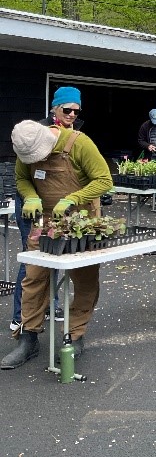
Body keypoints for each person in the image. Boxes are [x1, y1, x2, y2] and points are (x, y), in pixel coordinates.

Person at [2, 120, 112, 369]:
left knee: (84, 281)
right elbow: (21, 178)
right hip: (43, 222)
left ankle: (75, 335)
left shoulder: (79, 144)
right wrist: (29, 195)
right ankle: (28, 338)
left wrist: (74, 197)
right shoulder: (25, 148)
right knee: (33, 279)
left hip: (80, 222)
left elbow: (104, 180)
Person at [9, 86, 82, 333]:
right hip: (32, 204)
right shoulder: (37, 131)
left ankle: (50, 305)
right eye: (67, 109)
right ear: (55, 108)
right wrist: (31, 198)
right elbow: (22, 175)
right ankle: (20, 316)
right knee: (32, 258)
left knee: (54, 254)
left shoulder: (75, 133)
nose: (72, 114)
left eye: (76, 109)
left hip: (56, 205)